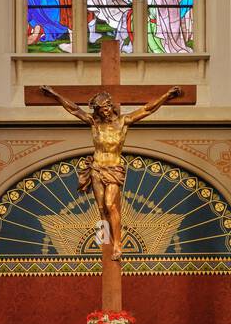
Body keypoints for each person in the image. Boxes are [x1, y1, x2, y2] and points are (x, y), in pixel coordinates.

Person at [39, 84, 183, 259]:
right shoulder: (94, 123)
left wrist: (166, 95)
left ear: (111, 106)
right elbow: (74, 110)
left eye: (106, 107)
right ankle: (105, 240)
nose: (104, 111)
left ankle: (117, 244)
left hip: (114, 169)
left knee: (110, 205)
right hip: (97, 169)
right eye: (100, 109)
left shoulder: (123, 122)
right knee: (100, 208)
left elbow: (147, 110)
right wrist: (55, 95)